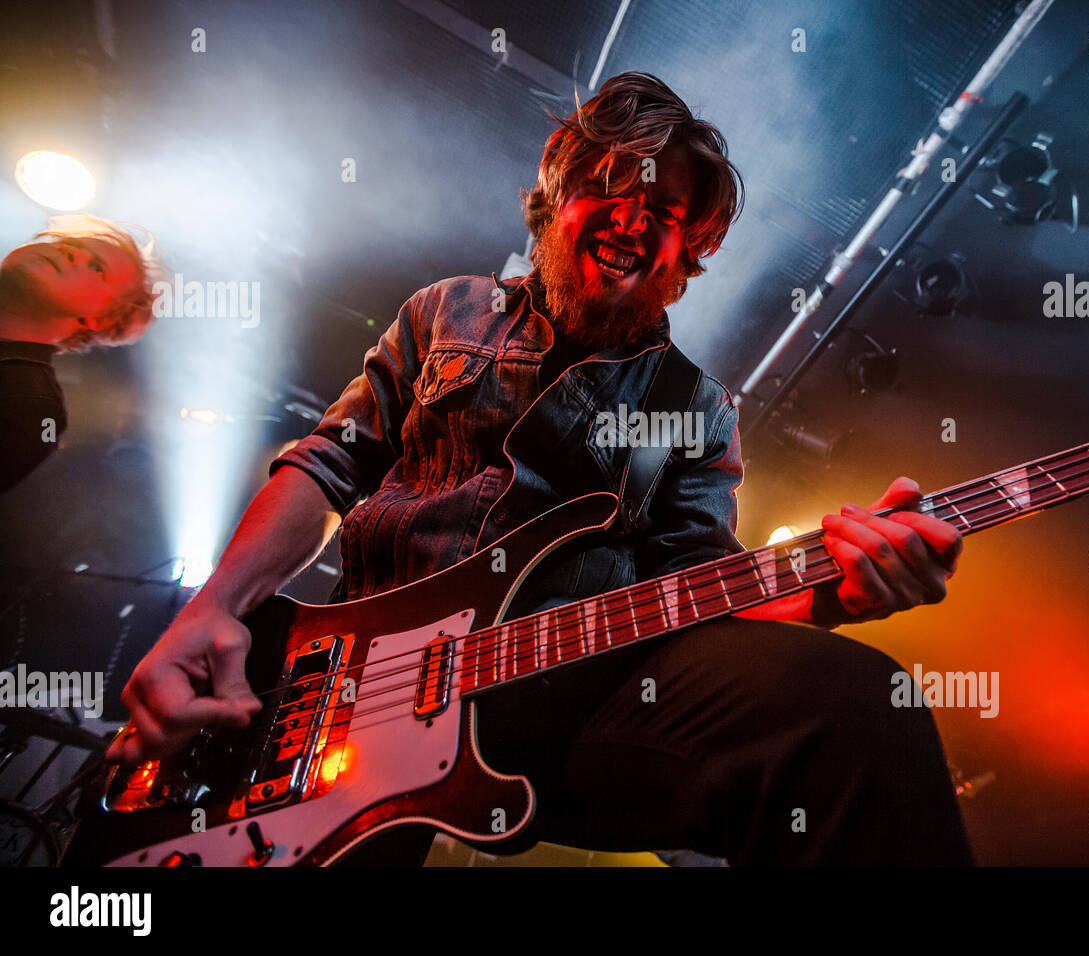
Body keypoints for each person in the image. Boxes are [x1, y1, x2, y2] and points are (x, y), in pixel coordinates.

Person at [109, 73, 972, 865]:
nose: (637, 213)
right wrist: (214, 607)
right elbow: (331, 463)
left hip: (574, 695)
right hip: (350, 693)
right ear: (559, 199)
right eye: (614, 183)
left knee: (849, 707)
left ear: (689, 257)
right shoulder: (446, 310)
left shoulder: (695, 406)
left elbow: (698, 584)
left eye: (668, 210)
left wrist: (830, 588)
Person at [0, 215, 159, 493]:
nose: (69, 251)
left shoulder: (35, 410)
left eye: (97, 267)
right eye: (67, 243)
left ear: (100, 318)